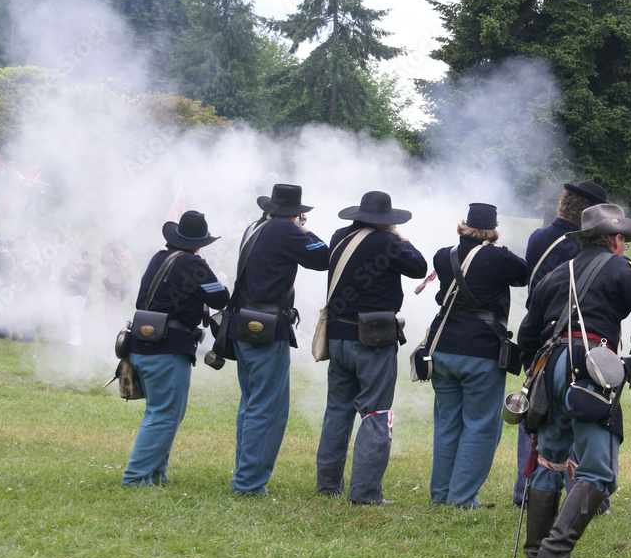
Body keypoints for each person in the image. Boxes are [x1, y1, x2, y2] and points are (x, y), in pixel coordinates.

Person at [517, 203, 631, 558]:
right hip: (589, 368)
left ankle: (535, 551)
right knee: (599, 469)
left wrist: (537, 373)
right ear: (617, 240)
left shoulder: (556, 274)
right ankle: (555, 552)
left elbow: (528, 334)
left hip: (549, 365)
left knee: (549, 460)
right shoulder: (623, 269)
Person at [316, 191, 427, 505]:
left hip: (338, 334)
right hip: (374, 339)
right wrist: (400, 238)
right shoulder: (389, 243)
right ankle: (365, 493)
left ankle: (327, 485)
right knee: (376, 413)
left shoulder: (340, 236)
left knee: (337, 409)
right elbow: (418, 266)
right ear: (386, 221)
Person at [229, 184, 330, 495]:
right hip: (267, 325)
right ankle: (248, 483)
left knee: (251, 403)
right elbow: (324, 256)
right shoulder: (285, 231)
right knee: (267, 408)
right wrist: (302, 230)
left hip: (243, 322)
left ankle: (245, 475)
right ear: (294, 213)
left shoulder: (255, 226)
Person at [427, 203, 528, 508]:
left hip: (442, 348)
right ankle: (462, 498)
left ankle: (441, 494)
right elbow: (523, 274)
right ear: (493, 229)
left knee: (447, 424)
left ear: (465, 225)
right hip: (481, 351)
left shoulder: (444, 255)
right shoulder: (499, 257)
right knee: (481, 425)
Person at [514, 179, 607, 507]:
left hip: (540, 335)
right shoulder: (579, 245)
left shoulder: (539, 237)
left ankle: (527, 489)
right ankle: (582, 494)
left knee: (537, 411)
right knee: (581, 409)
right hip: (574, 338)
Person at [123, 211, 230, 486]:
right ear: (200, 243)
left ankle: (157, 474)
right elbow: (221, 297)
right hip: (167, 346)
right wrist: (209, 271)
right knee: (163, 414)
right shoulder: (193, 263)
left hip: (143, 341)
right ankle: (135, 478)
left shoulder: (160, 257)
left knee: (166, 412)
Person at [58, 246, 92, 346]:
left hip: (78, 294)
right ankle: (73, 338)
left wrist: (68, 267)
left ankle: (77, 339)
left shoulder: (85, 265)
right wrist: (63, 268)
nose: (74, 256)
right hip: (68, 293)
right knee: (70, 316)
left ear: (80, 255)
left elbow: (79, 275)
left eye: (76, 253)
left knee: (74, 317)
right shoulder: (72, 265)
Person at [101, 240, 134, 334]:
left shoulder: (124, 255)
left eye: (116, 245)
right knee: (110, 313)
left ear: (122, 245)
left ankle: (116, 336)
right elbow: (105, 263)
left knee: (114, 315)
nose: (114, 247)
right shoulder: (118, 255)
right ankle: (113, 335)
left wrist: (110, 252)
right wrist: (105, 252)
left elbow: (117, 266)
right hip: (113, 287)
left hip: (117, 287)